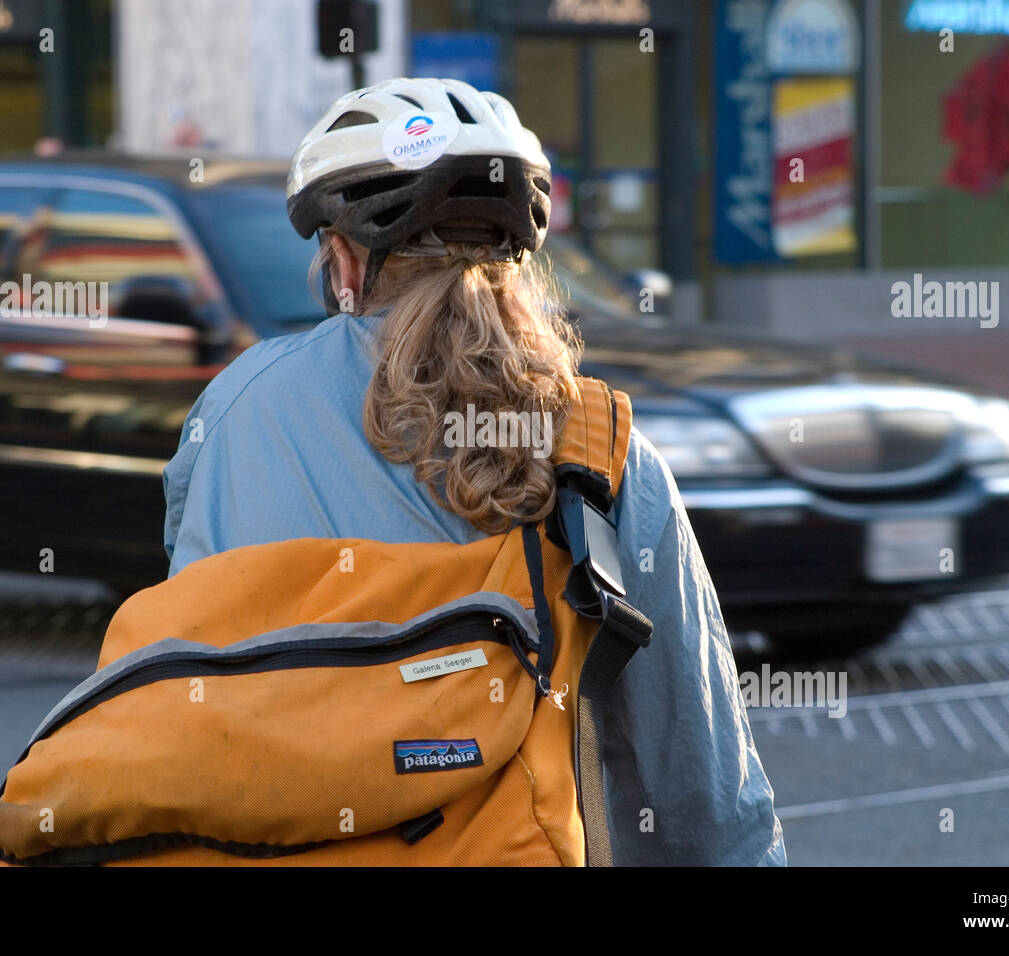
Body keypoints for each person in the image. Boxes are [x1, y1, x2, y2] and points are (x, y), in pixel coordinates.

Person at [162, 77, 785, 866]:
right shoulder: (603, 452)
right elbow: (702, 788)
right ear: (518, 263)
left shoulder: (235, 410)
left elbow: (178, 645)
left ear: (344, 267)